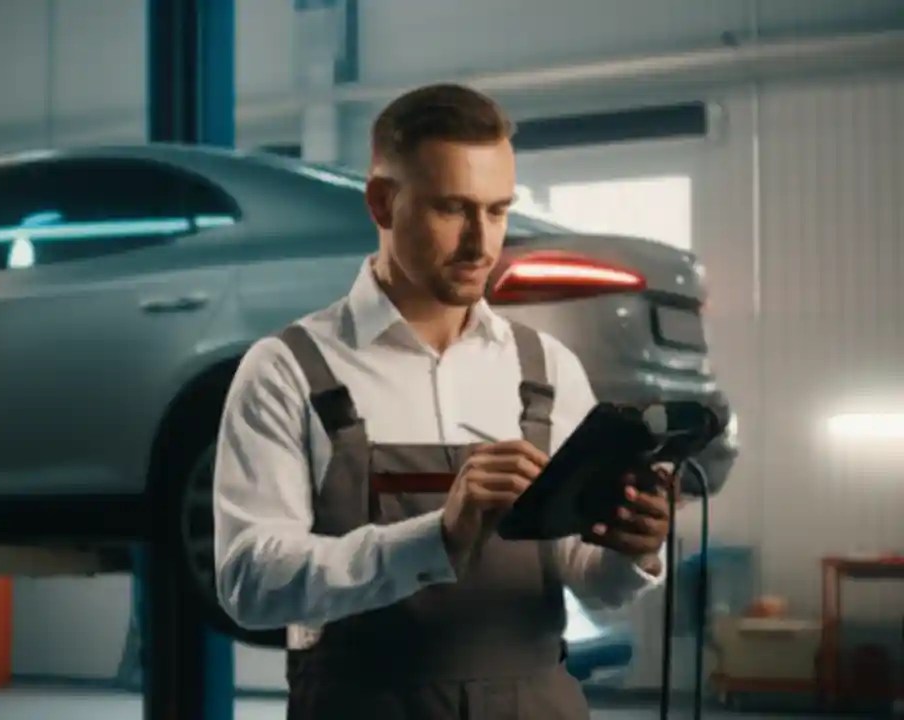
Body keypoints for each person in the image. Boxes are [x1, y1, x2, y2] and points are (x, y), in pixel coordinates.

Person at [212, 83, 675, 719]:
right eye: (452, 209)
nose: (481, 243)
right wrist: (437, 537)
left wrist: (636, 548)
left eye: (497, 210)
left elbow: (592, 580)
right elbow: (249, 584)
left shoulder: (544, 371)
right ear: (381, 202)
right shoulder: (288, 371)